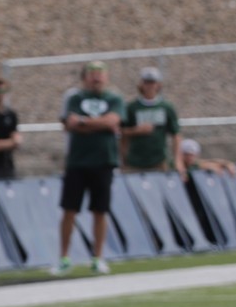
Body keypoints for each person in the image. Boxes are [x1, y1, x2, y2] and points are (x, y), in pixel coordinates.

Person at [56, 61, 125, 275]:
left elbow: (113, 121)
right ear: (85, 77)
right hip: (77, 162)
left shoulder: (113, 98)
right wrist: (98, 123)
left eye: (100, 74)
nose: (96, 78)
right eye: (92, 74)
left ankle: (98, 257)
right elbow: (70, 124)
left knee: (100, 210)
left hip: (104, 161)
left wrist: (85, 123)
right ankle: (64, 257)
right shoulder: (75, 98)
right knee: (70, 210)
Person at [121, 66, 184, 178]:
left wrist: (177, 160)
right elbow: (122, 133)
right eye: (146, 82)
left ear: (158, 84)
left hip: (159, 161)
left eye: (152, 82)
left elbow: (176, 134)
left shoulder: (166, 107)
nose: (149, 86)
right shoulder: (132, 107)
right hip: (135, 161)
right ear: (141, 84)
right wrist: (136, 131)